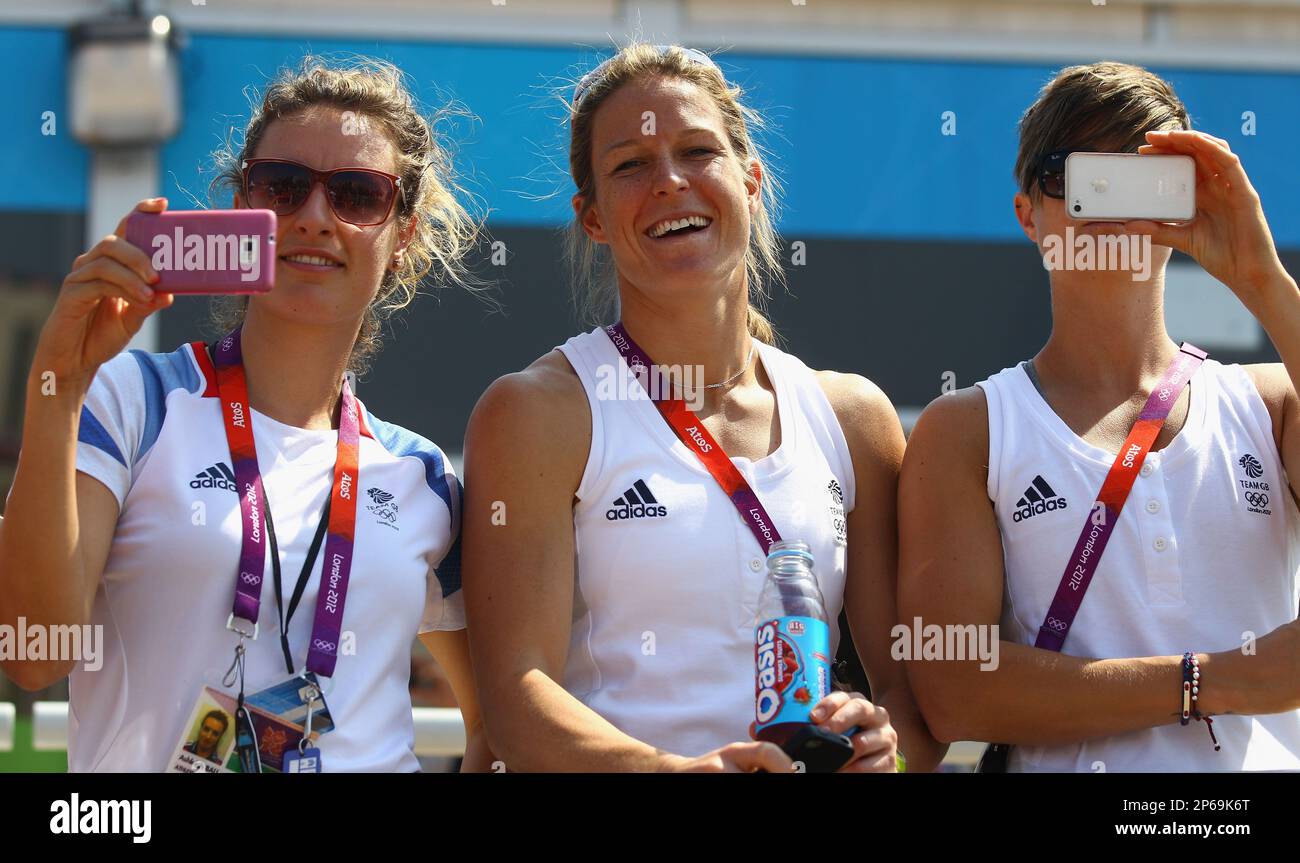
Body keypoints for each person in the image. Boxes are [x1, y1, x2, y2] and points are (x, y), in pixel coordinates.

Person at [0, 57, 490, 772]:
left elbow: (499, 719)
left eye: (357, 194)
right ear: (243, 202)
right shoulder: (132, 402)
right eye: (283, 187)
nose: (315, 218)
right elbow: (31, 655)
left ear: (404, 233)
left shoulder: (422, 477)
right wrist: (58, 385)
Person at [462, 43, 940, 772]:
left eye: (696, 151)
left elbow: (911, 690)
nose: (670, 182)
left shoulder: (853, 417)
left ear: (749, 182)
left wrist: (883, 747)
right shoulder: (539, 411)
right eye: (629, 165)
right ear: (590, 218)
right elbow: (513, 697)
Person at [899, 61, 1300, 771]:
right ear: (1028, 212)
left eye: (1146, 175)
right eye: (1082, 177)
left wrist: (1261, 279)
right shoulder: (968, 429)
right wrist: (1216, 679)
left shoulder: (1270, 403)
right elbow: (954, 689)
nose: (1114, 205)